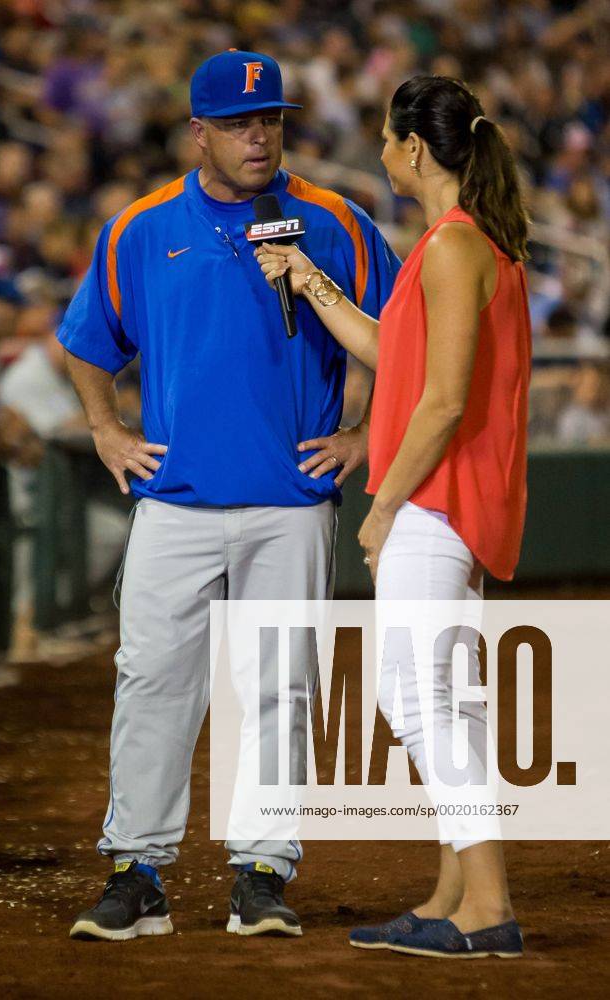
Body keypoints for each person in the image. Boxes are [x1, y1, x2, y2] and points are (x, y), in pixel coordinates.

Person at [60, 50, 401, 942]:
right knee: (152, 681)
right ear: (198, 131)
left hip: (289, 498)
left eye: (271, 119)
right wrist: (105, 427)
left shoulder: (333, 220)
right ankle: (137, 869)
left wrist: (365, 434)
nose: (260, 135)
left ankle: (261, 869)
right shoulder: (139, 227)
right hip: (173, 496)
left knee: (279, 688)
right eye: (241, 122)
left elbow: (404, 340)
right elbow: (88, 341)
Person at [256, 75, 531, 959]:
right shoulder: (462, 242)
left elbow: (441, 403)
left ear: (415, 149)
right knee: (449, 699)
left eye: (385, 138)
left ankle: (486, 905)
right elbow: (397, 354)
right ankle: (457, 895)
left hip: (438, 498)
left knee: (416, 700)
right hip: (460, 499)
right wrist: (311, 282)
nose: (378, 152)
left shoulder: (452, 246)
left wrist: (380, 507)